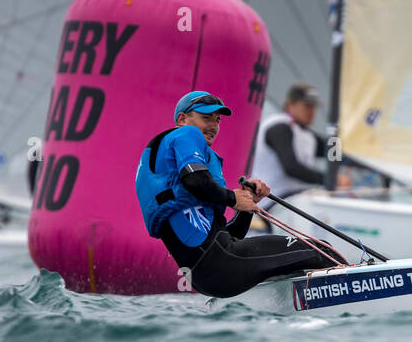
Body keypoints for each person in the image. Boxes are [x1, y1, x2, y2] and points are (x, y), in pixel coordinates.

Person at [135, 90, 334, 298]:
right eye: (206, 118)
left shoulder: (182, 174)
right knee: (321, 250)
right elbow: (195, 181)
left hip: (210, 278)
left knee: (310, 256)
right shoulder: (185, 134)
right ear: (182, 119)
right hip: (221, 264)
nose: (214, 126)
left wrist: (248, 203)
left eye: (218, 120)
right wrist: (233, 198)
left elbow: (233, 235)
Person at [252, 82, 328, 198]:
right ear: (291, 104)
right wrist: (329, 179)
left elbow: (333, 150)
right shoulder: (278, 127)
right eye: (307, 106)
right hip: (269, 201)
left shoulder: (306, 134)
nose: (312, 111)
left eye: (314, 106)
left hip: (291, 201)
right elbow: (291, 167)